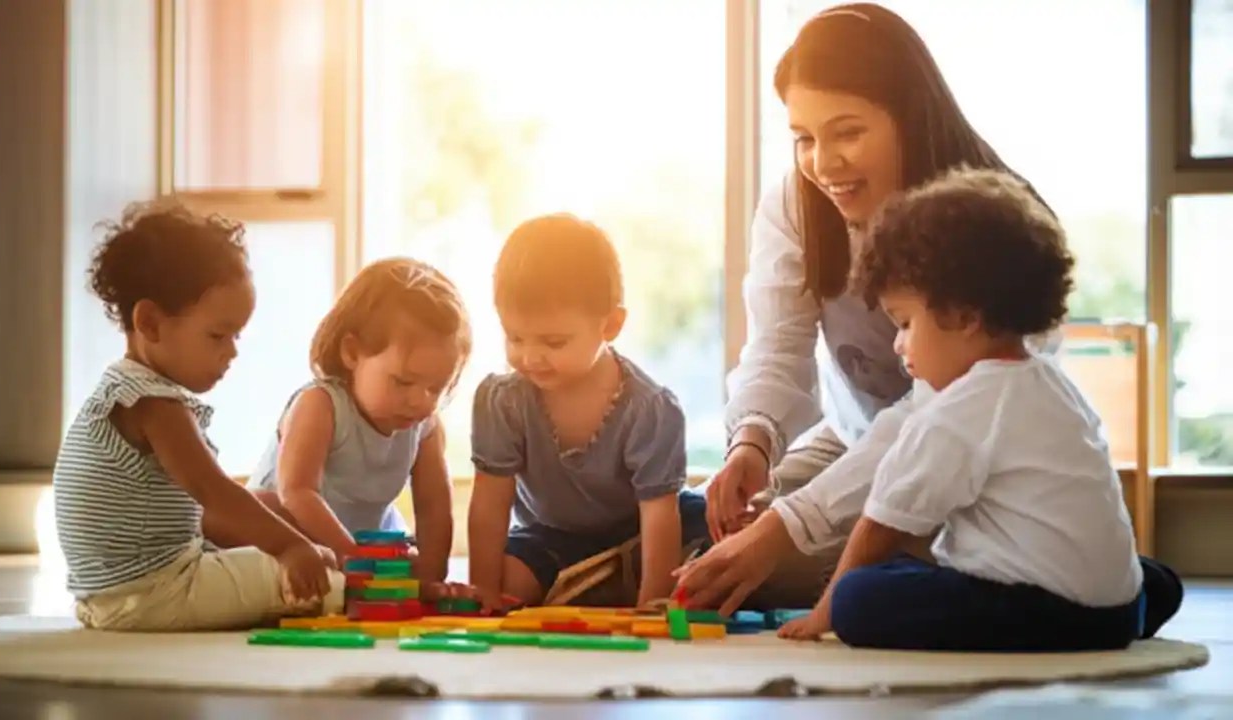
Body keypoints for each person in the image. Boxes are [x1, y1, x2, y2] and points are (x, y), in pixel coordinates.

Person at [696, 1, 1183, 638]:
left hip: (972, 456)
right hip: (852, 435)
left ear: (908, 114)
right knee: (717, 545)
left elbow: (936, 423)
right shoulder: (797, 201)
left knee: (840, 564)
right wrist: (753, 441)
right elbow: (778, 342)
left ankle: (1076, 577)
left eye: (847, 132)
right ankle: (1114, 583)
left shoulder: (995, 222)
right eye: (805, 138)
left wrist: (790, 528)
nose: (824, 163)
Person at [777, 167, 1147, 650]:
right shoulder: (1050, 381)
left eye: (906, 323)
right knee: (1156, 578)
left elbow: (878, 527)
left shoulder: (958, 409)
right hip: (1120, 611)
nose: (898, 344)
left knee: (859, 598)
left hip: (1038, 609)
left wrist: (825, 613)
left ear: (966, 316)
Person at [54, 202, 341, 631]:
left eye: (237, 335)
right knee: (321, 582)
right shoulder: (154, 404)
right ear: (150, 322)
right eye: (217, 335)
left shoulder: (122, 388)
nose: (232, 352)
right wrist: (291, 546)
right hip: (155, 591)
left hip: (109, 595)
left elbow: (203, 511)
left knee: (268, 546)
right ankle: (375, 592)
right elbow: (214, 491)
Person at [468, 214, 709, 610]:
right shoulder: (503, 401)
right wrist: (484, 592)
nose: (529, 357)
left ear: (611, 324)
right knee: (508, 581)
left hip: (638, 535)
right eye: (514, 337)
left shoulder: (649, 408)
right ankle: (594, 584)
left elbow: (660, 517)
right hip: (550, 536)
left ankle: (616, 583)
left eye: (553, 341)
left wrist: (653, 603)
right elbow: (489, 506)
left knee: (711, 552)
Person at [247, 258, 471, 595]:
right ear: (352, 353)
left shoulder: (424, 426)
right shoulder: (320, 405)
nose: (421, 401)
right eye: (404, 381)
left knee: (407, 554)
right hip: (294, 530)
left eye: (435, 388)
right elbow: (296, 492)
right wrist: (353, 560)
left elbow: (434, 504)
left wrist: (431, 574)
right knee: (261, 506)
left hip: (364, 539)